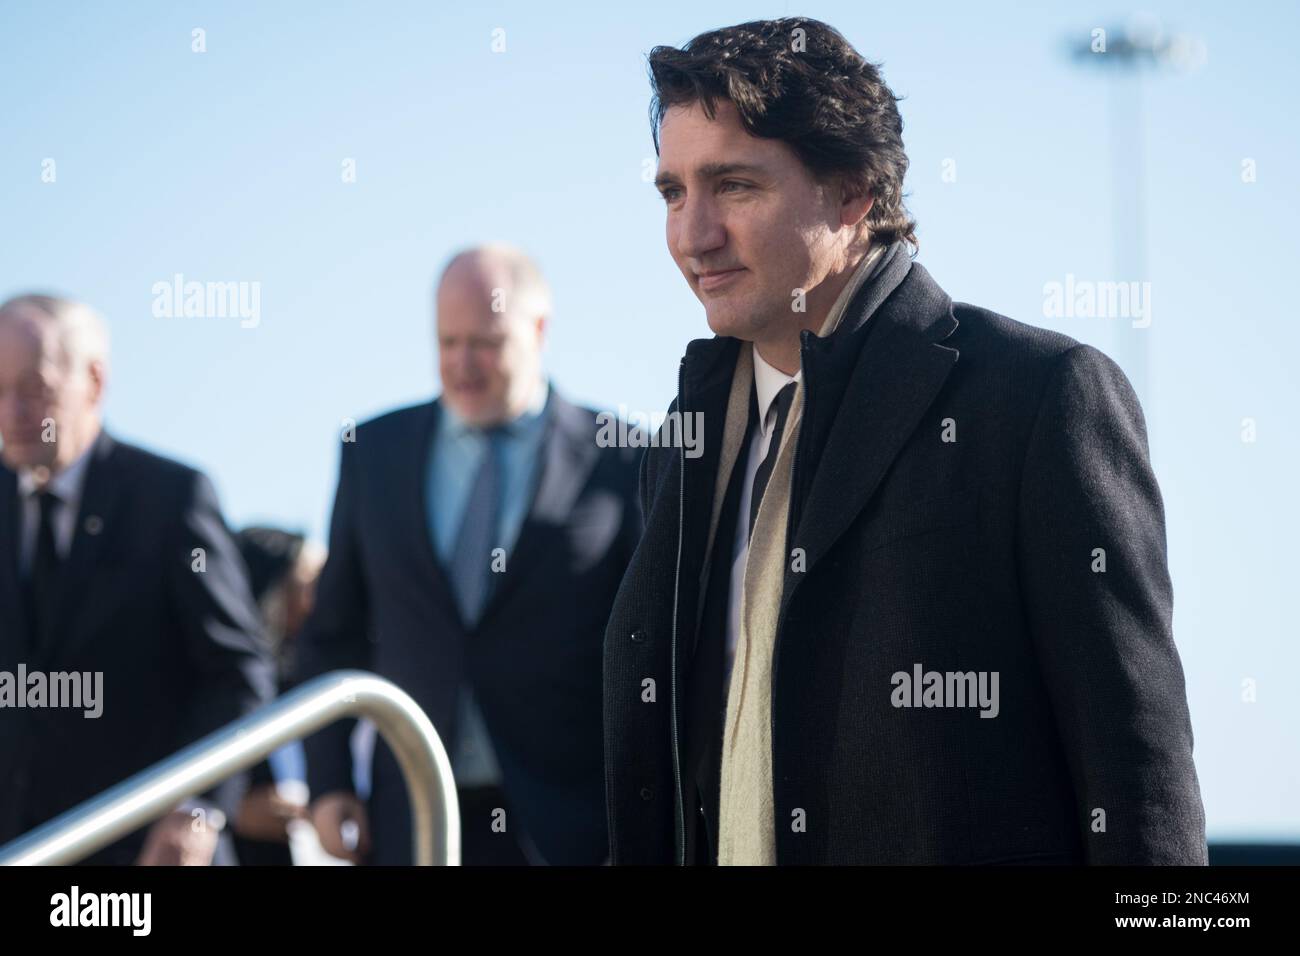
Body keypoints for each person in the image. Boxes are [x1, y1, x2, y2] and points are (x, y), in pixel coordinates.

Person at [602, 18, 1208, 865]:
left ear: (852, 193)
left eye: (734, 187)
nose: (693, 235)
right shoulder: (683, 447)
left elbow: (1139, 782)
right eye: (672, 193)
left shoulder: (1038, 399)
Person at [295, 244, 642, 865]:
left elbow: (651, 644)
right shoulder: (373, 452)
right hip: (413, 821)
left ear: (538, 330)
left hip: (570, 827)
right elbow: (332, 635)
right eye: (447, 342)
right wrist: (330, 784)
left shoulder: (623, 457)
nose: (462, 364)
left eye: (484, 343)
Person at [0, 293, 274, 865]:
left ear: (93, 382)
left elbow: (238, 673)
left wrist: (197, 807)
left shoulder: (170, 499)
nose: (12, 413)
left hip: (143, 862)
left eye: (34, 389)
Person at [231, 525, 324, 865]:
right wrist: (229, 806)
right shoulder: (228, 689)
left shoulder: (331, 684)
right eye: (308, 584)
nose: (319, 600)